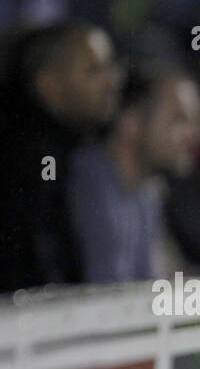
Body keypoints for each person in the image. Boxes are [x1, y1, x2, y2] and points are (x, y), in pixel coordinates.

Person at [0, 21, 122, 291]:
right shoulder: (34, 160)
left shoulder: (73, 149)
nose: (112, 82)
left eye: (110, 66)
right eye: (93, 70)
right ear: (49, 84)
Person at [67, 65, 200, 283]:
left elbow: (150, 285)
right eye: (179, 120)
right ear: (131, 123)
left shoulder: (148, 190)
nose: (193, 136)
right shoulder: (89, 180)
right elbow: (106, 299)